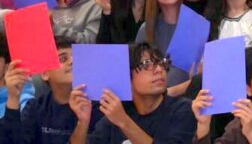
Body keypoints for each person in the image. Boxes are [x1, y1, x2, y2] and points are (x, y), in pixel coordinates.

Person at [67, 42, 196, 144]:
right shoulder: (116, 116)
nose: (158, 69)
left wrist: (124, 122)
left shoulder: (182, 109)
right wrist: (82, 122)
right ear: (126, 76)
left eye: (161, 63)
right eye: (147, 64)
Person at [0, 37, 100, 144]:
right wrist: (13, 98)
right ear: (45, 74)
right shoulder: (36, 108)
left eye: (77, 58)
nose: (72, 62)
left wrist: (82, 123)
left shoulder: (96, 106)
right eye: (63, 59)